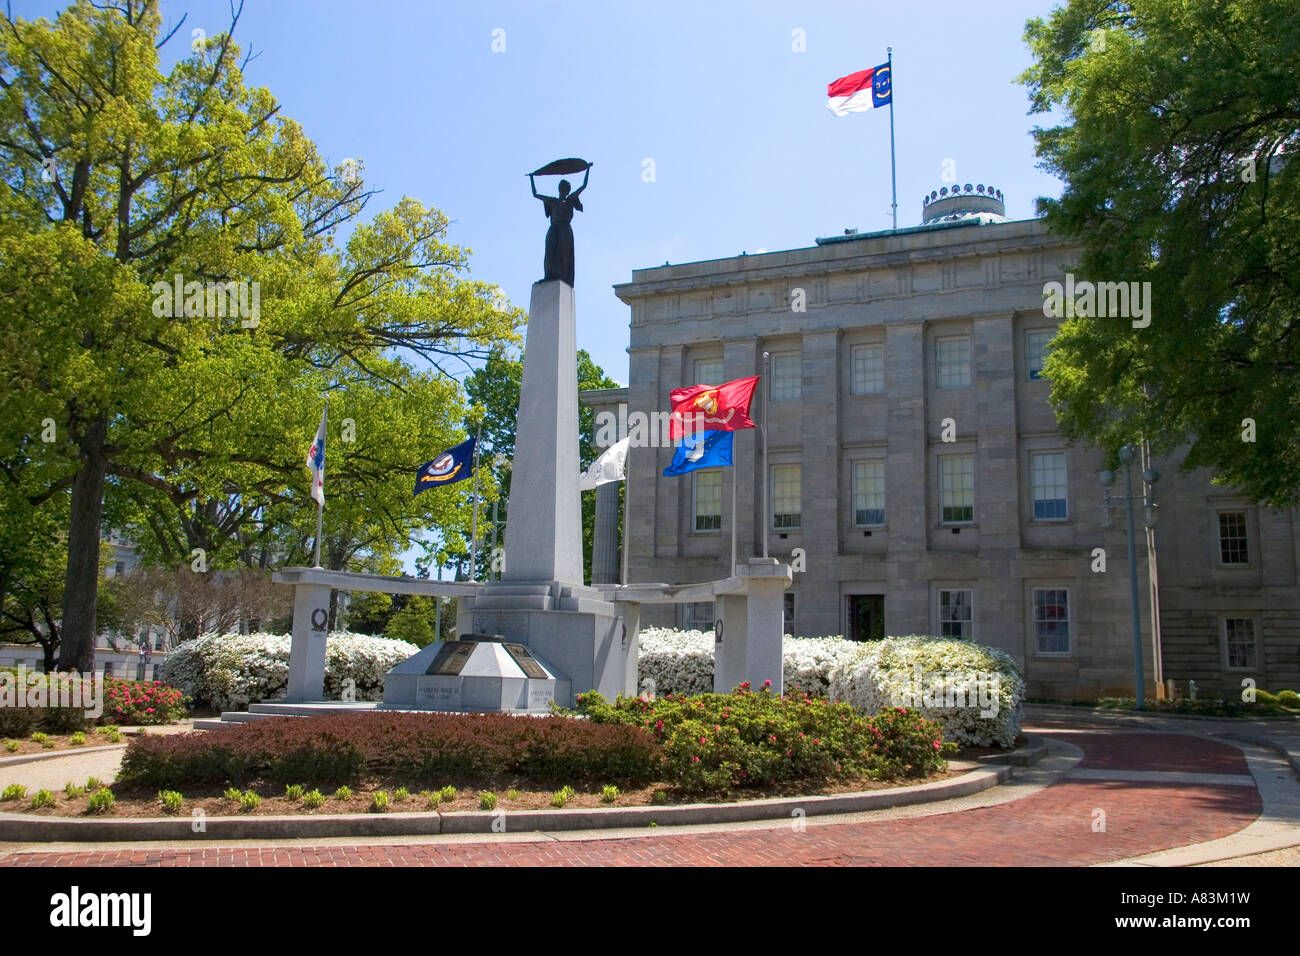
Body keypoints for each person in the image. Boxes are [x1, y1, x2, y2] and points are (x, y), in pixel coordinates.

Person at [529, 164, 590, 286]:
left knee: (564, 252)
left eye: (565, 188)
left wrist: (587, 169)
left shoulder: (571, 200)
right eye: (561, 187)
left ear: (568, 191)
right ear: (559, 189)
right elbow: (535, 194)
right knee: (550, 250)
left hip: (565, 228)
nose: (563, 190)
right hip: (554, 227)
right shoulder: (552, 201)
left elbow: (583, 186)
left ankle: (563, 276)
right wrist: (531, 178)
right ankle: (549, 275)